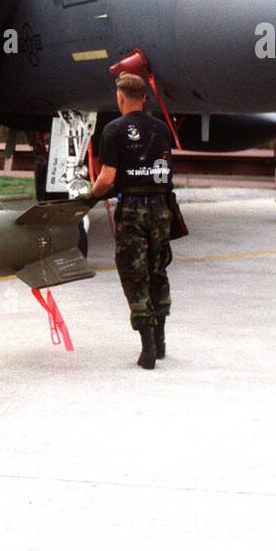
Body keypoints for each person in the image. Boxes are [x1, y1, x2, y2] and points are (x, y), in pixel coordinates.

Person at [85, 74, 175, 370]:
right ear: (144, 98)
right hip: (162, 208)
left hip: (133, 209)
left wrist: (88, 197)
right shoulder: (162, 129)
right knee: (157, 269)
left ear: (120, 98)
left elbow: (107, 178)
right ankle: (161, 341)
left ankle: (147, 347)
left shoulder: (113, 129)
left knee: (134, 275)